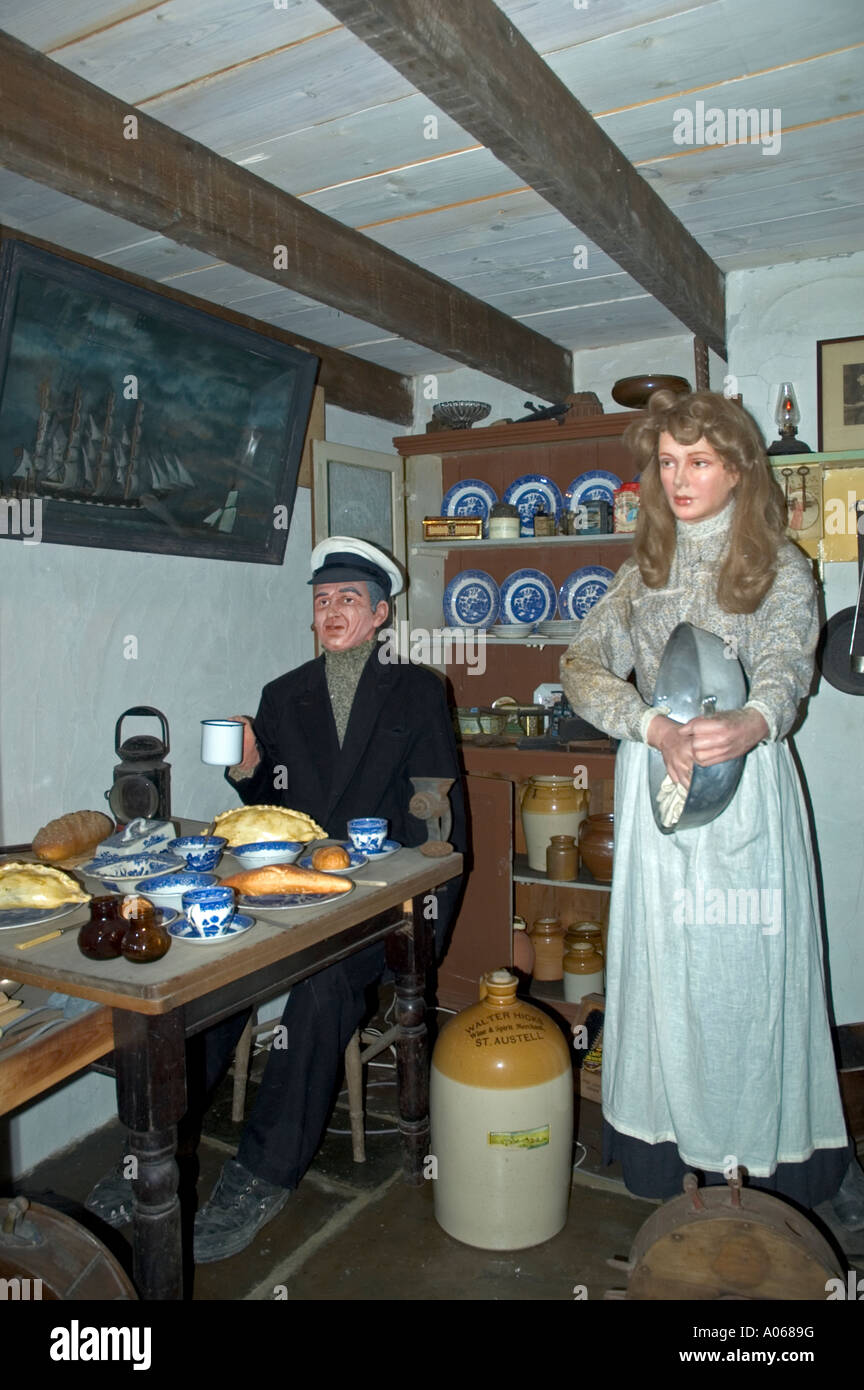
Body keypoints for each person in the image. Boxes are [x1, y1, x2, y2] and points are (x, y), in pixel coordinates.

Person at [88, 537, 465, 1262]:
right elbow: (271, 809)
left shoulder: (416, 691)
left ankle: (261, 1175)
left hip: (374, 904)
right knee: (211, 974)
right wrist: (250, 769)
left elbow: (441, 823)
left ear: (381, 614)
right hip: (288, 894)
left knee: (322, 991)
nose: (333, 611)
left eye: (349, 599)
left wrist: (424, 926)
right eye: (322, 600)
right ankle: (145, 1158)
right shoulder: (283, 694)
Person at [560, 390, 864, 1224]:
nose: (680, 477)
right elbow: (579, 665)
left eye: (698, 461)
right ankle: (670, 1151)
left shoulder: (779, 564)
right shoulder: (642, 572)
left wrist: (755, 718)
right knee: (666, 967)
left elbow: (789, 663)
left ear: (736, 468)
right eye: (667, 462)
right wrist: (649, 724)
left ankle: (785, 1162)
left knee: (750, 970)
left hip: (747, 791)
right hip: (658, 786)